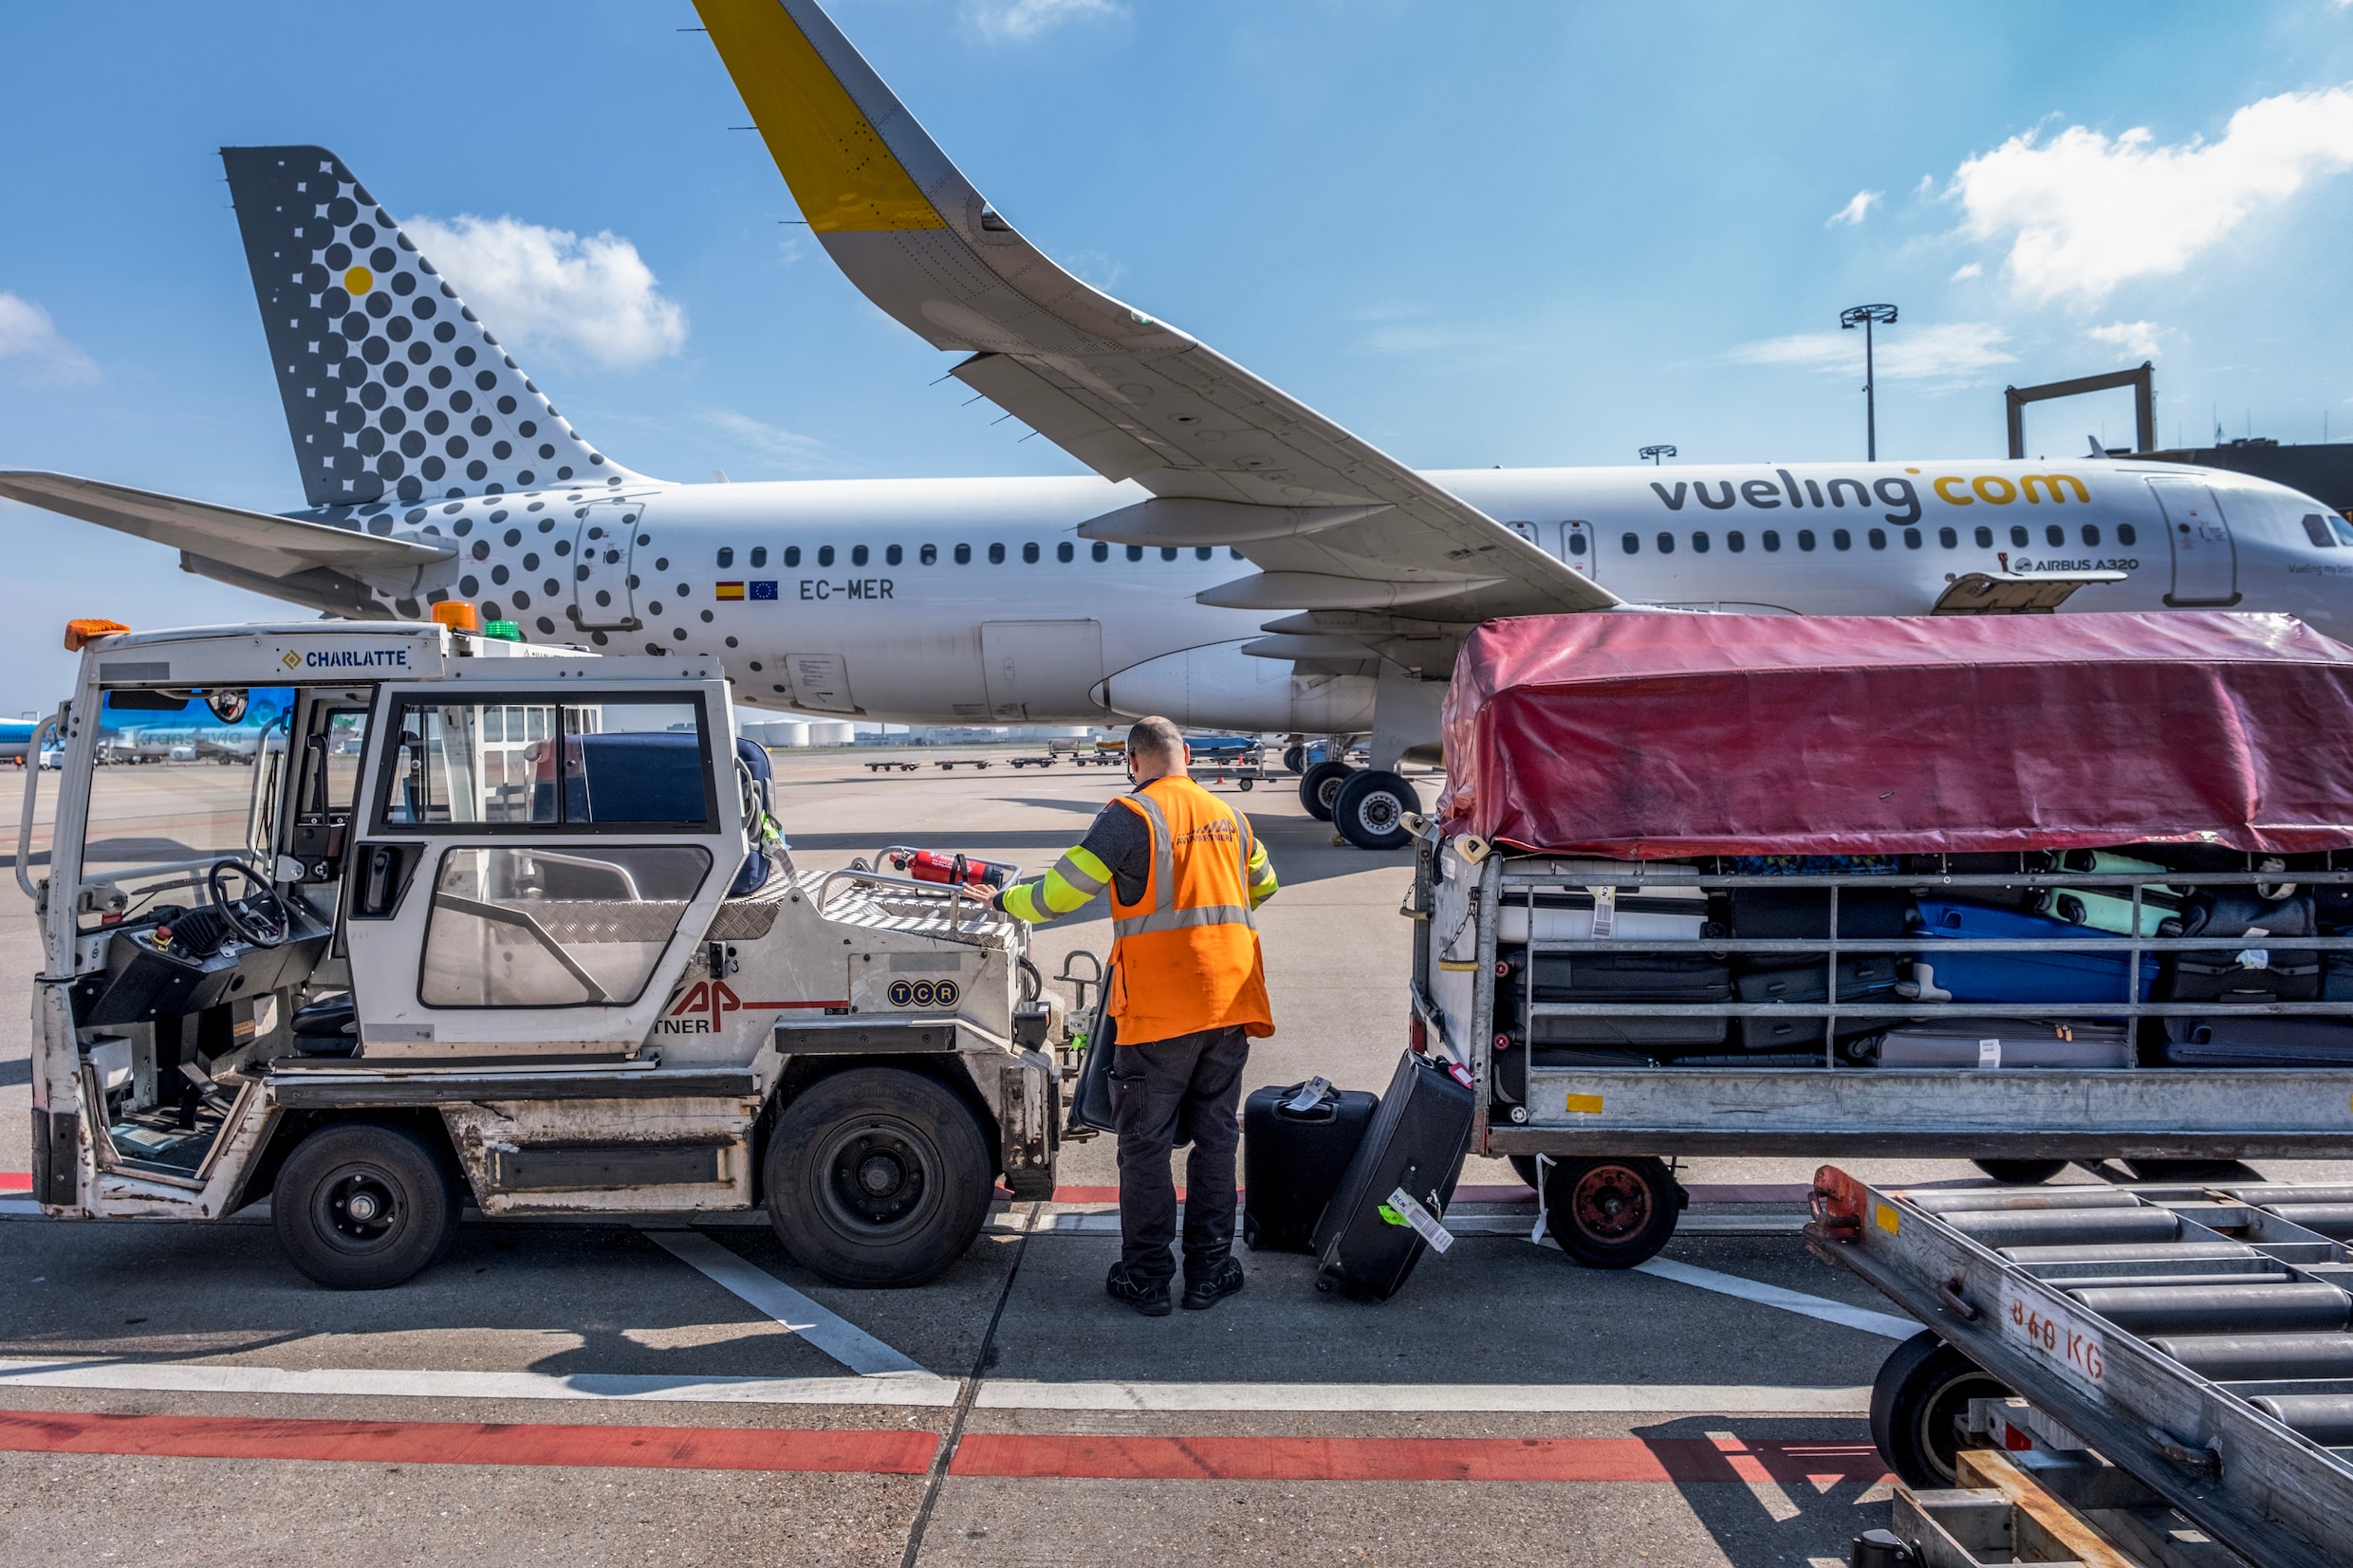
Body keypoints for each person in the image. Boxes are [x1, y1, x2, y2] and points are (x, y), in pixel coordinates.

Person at [995, 716, 1279, 1315]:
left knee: (1146, 1146)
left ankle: (1148, 1277)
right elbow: (1265, 884)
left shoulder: (1130, 815)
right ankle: (1210, 1271)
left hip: (1158, 1010)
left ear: (1133, 759)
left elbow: (1058, 895)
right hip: (1229, 1002)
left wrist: (1003, 900)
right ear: (1187, 758)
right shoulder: (1230, 816)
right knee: (1216, 1139)